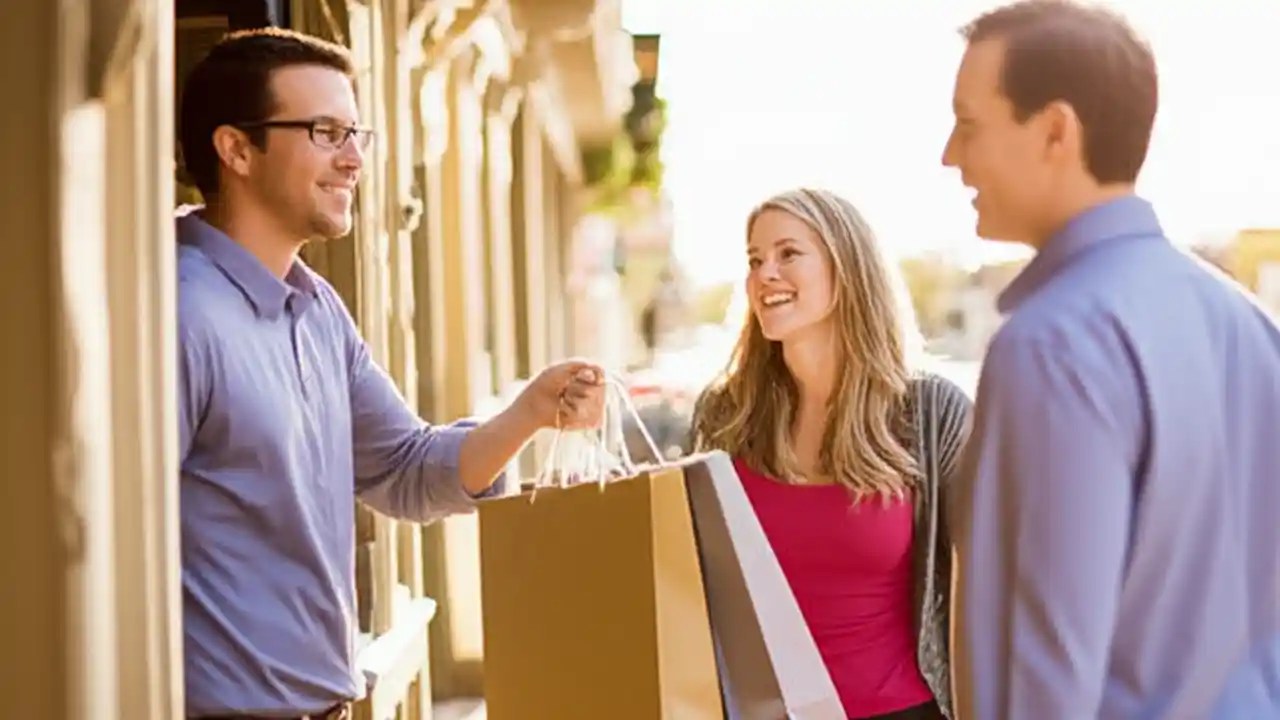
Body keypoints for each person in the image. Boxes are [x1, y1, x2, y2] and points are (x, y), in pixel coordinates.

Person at [176, 28, 605, 718]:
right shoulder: (179, 311)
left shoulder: (316, 309)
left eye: (356, 134)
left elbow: (407, 472)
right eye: (324, 131)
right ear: (236, 149)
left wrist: (530, 412)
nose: (353, 160)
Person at [942, 2, 1280, 718]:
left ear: (1056, 132)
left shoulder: (1051, 347)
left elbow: (1039, 682)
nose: (951, 154)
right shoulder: (1251, 328)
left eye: (969, 125)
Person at [691, 188, 972, 720]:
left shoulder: (931, 412)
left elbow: (979, 595)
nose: (764, 273)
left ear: (847, 268)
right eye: (754, 260)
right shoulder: (725, 417)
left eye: (788, 253)